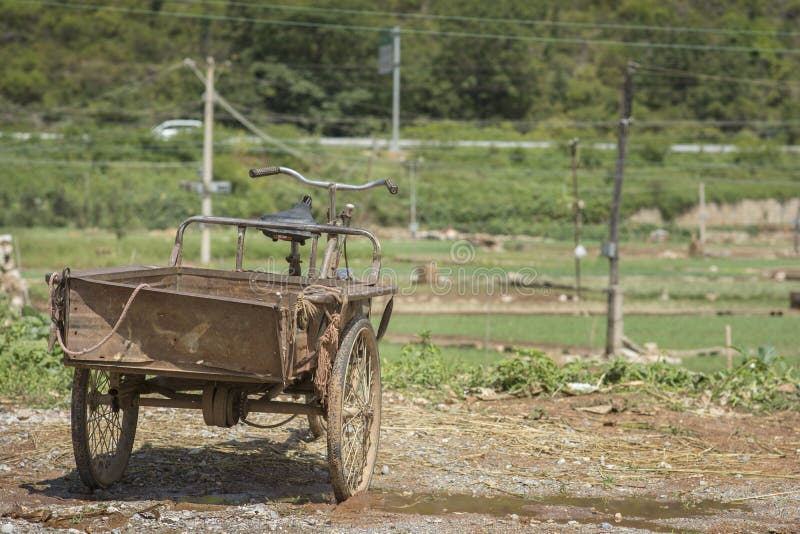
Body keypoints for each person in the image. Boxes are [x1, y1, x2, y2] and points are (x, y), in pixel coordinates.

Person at [0, 234, 29, 310]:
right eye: (4, 243)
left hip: (11, 272)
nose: (6, 244)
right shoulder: (2, 250)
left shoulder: (8, 248)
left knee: (20, 288)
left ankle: (24, 305)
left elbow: (8, 254)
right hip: (5, 273)